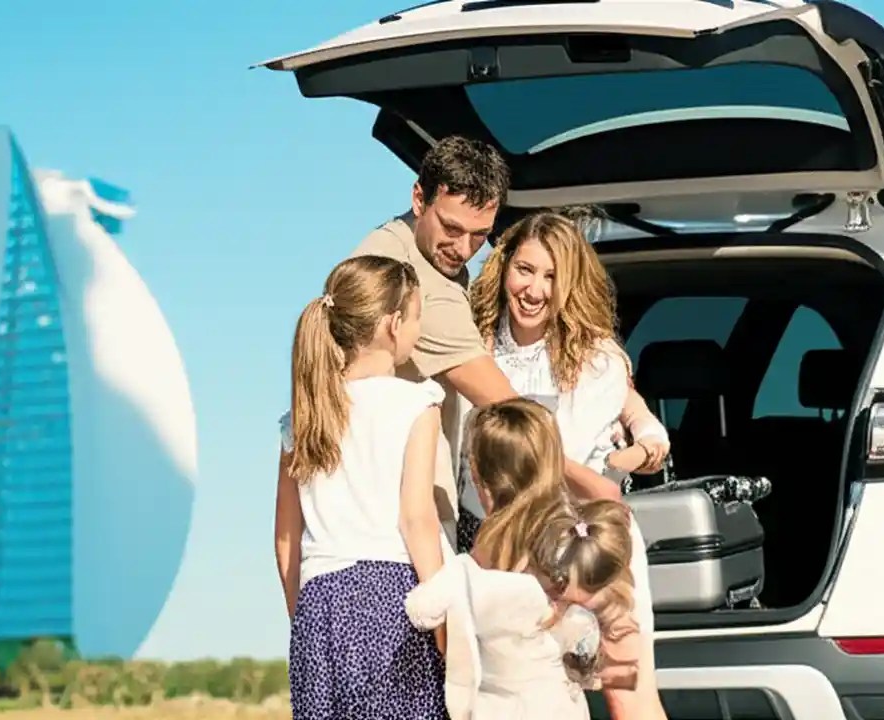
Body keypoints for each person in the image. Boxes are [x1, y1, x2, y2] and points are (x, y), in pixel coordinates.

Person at [347, 136, 637, 548]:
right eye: (452, 228)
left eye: (479, 235)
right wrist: (583, 478)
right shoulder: (410, 282)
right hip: (397, 531)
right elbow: (506, 407)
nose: (463, 249)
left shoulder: (409, 255)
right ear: (418, 198)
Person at [463, 211, 670, 720]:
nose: (534, 289)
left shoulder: (596, 360)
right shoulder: (469, 351)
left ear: (571, 283)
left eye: (552, 276)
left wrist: (622, 461)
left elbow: (579, 458)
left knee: (626, 693)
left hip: (585, 541)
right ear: (504, 267)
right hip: (501, 550)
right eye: (525, 270)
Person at [273, 255, 449, 720]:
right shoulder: (416, 403)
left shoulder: (303, 419)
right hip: (393, 598)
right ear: (393, 325)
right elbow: (417, 520)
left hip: (317, 604)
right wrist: (445, 625)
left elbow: (286, 536)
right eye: (416, 316)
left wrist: (305, 615)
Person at [404, 398, 640, 719]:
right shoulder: (565, 546)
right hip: (559, 704)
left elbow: (424, 610)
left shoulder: (474, 563)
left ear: (478, 477)